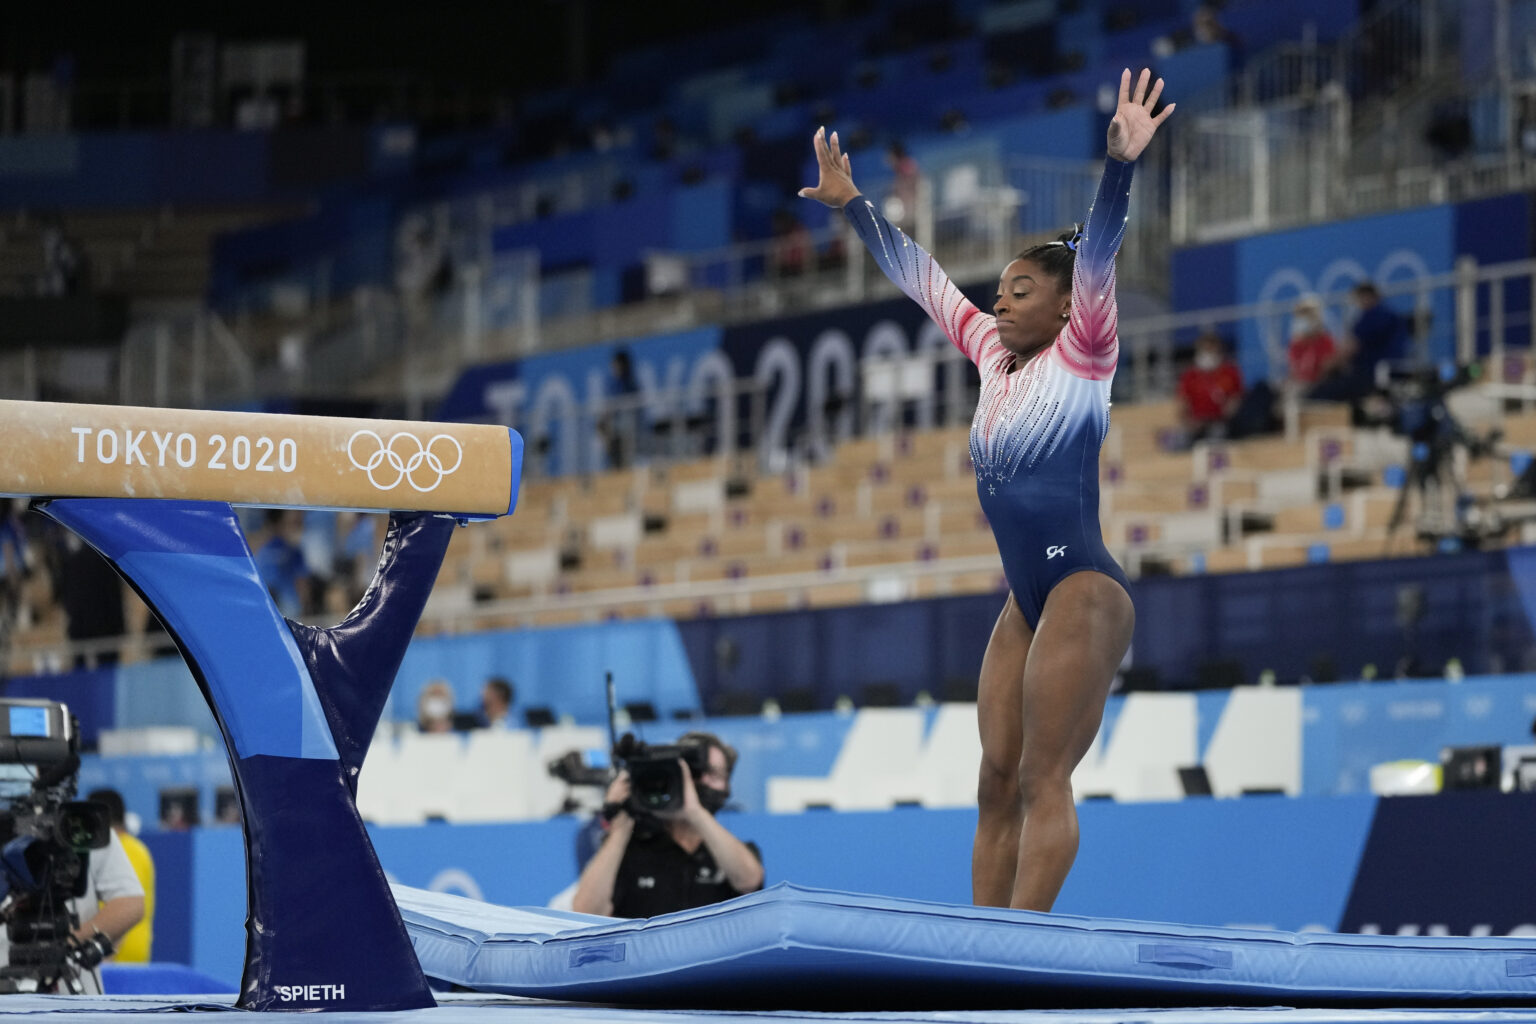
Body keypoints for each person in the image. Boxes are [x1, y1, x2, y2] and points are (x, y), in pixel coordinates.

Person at [799, 68, 1174, 911]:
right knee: (994, 782)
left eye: (1021, 292)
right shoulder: (990, 354)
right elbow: (923, 277)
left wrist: (1118, 168)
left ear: (1064, 303)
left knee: (1045, 777)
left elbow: (1103, 248)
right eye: (1000, 291)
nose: (998, 304)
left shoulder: (1087, 348)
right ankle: (981, 944)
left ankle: (1025, 950)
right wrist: (855, 206)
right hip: (1028, 598)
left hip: (1083, 587)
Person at [571, 732, 763, 918]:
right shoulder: (630, 851)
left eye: (714, 774)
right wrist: (620, 828)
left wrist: (695, 812)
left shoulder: (733, 851)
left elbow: (749, 881)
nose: (702, 781)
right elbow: (585, 912)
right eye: (695, 773)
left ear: (727, 786)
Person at [85, 788, 154, 963]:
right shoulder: (139, 849)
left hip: (116, 958)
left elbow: (124, 904)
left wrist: (108, 956)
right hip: (129, 955)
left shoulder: (121, 850)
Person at [1177, 331, 1244, 442]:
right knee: (1181, 440)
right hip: (1196, 423)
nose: (1208, 355)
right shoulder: (1190, 376)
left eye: (1212, 351)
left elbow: (1236, 401)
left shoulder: (1230, 373)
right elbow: (1182, 404)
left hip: (1220, 422)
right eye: (1205, 351)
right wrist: (1189, 422)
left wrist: (1220, 418)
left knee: (1217, 436)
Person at [1287, 296, 1339, 386]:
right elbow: (1293, 371)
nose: (1303, 320)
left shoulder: (1326, 341)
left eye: (1308, 316)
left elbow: (1327, 368)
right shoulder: (1295, 345)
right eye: (1301, 316)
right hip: (1300, 386)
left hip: (1319, 386)